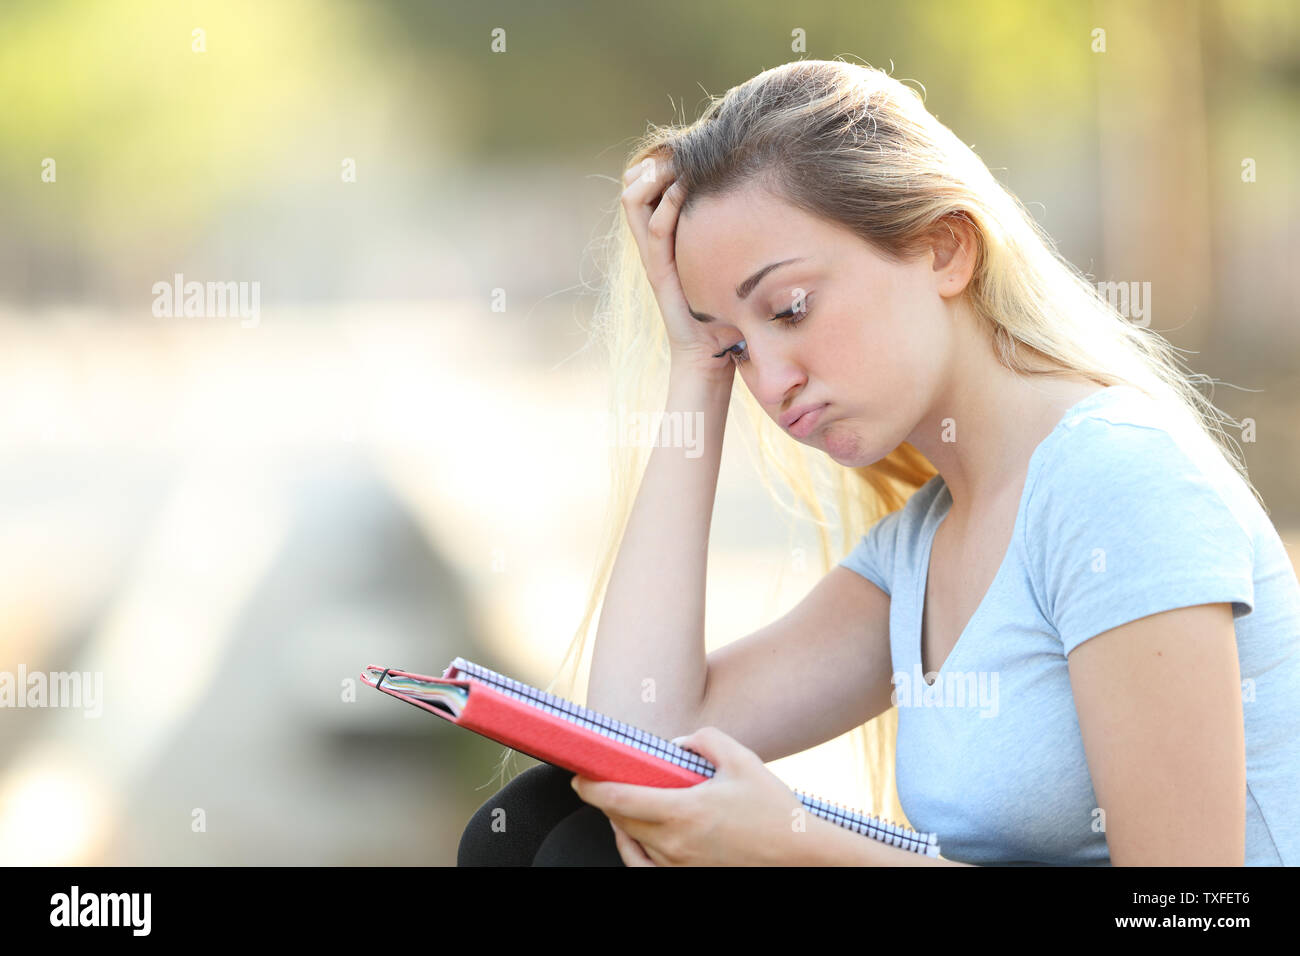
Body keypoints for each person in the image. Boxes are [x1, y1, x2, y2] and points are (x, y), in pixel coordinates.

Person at [459, 58, 1300, 866]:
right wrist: (695, 367)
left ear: (943, 249)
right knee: (541, 831)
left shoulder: (1115, 484)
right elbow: (636, 741)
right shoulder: (924, 545)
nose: (772, 382)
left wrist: (798, 850)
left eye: (790, 308)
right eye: (739, 347)